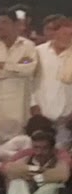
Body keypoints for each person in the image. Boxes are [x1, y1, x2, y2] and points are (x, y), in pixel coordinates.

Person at [0, 9, 38, 141]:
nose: (0, 26)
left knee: (17, 145)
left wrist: (2, 65)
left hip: (18, 104)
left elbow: (29, 68)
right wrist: (17, 67)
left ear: (15, 24)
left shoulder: (28, 46)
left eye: (4, 22)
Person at [2, 130, 70, 194]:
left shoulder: (58, 162)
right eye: (36, 147)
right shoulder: (27, 159)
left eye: (44, 148)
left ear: (52, 149)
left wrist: (35, 177)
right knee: (17, 182)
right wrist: (39, 171)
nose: (39, 152)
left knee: (50, 187)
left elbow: (62, 175)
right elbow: (9, 169)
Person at [31, 15, 72, 143]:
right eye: (64, 34)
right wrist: (32, 105)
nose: (68, 37)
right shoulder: (36, 52)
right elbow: (27, 79)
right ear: (55, 33)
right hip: (40, 115)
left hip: (67, 119)